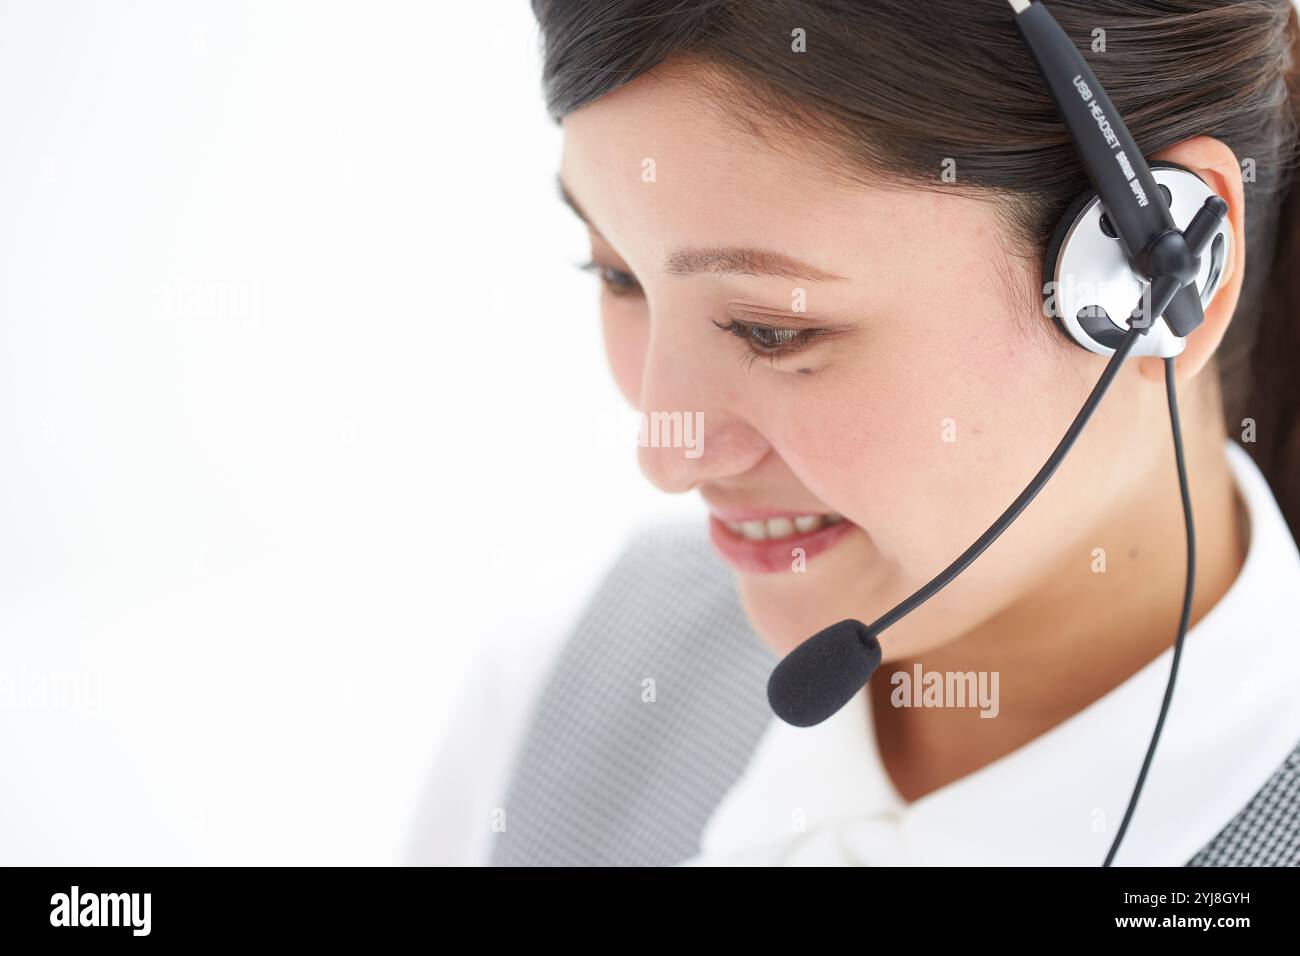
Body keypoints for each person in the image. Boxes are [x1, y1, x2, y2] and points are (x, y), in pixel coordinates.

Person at [409, 0, 1300, 866]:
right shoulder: (560, 690)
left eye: (775, 330)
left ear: (1160, 267)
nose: (666, 456)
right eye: (617, 275)